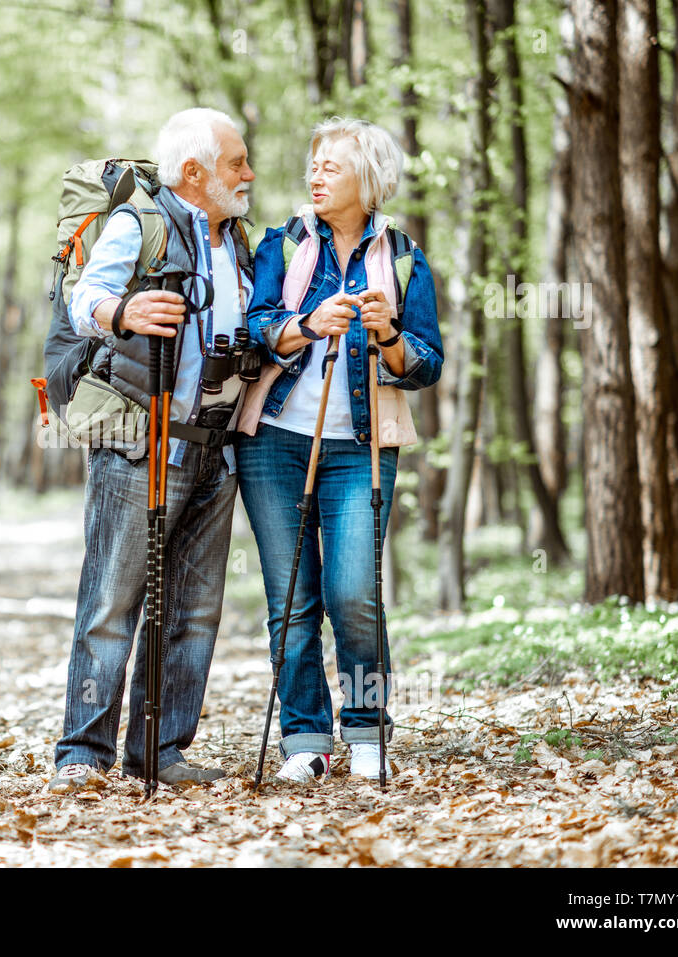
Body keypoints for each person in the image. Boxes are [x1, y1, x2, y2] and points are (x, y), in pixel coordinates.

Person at [50, 108, 256, 792]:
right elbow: (85, 301)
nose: (249, 174)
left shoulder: (242, 244)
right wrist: (123, 313)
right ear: (193, 173)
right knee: (113, 597)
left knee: (194, 609)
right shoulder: (139, 225)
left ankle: (160, 751)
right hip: (140, 439)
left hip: (214, 450)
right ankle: (82, 753)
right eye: (237, 163)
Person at [235, 117, 443, 782]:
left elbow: (427, 361)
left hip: (362, 447)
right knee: (290, 599)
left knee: (353, 592)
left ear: (370, 180)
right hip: (274, 442)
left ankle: (366, 729)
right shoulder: (285, 240)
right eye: (314, 162)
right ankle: (304, 741)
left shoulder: (406, 255)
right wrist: (305, 325)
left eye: (333, 166)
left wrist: (387, 337)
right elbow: (257, 323)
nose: (316, 175)